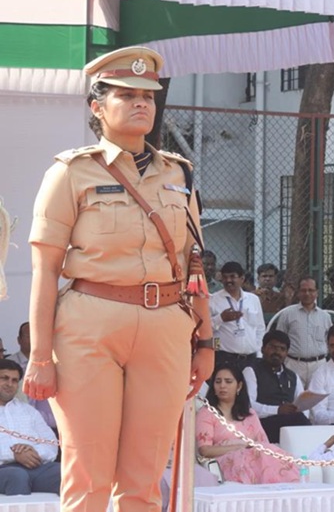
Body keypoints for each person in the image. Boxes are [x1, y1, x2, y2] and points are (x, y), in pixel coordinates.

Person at [25, 46, 215, 511]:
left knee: (145, 479)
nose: (141, 103)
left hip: (166, 328)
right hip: (90, 328)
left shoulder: (179, 173)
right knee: (88, 475)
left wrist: (206, 341)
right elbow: (45, 270)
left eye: (148, 95)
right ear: (97, 106)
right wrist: (40, 356)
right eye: (126, 94)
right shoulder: (70, 173)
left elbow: (195, 263)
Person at [195, 366, 300, 484]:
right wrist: (240, 447)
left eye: (228, 381)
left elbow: (263, 443)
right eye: (218, 382)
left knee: (271, 454)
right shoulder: (207, 413)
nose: (222, 386)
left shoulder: (249, 413)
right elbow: (204, 450)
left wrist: (248, 448)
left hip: (255, 457)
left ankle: (282, 493)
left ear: (239, 386)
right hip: (225, 462)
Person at [0, 360, 60, 496]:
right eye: (4, 378)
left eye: (14, 380)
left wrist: (33, 452)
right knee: (17, 476)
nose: (9, 384)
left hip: (36, 467)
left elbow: (51, 444)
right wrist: (14, 454)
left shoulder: (28, 411)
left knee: (65, 472)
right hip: (4, 470)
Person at [241, 331, 310, 443]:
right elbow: (248, 406)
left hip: (291, 427)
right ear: (263, 349)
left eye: (282, 349)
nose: (277, 352)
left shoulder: (293, 376)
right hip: (263, 425)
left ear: (287, 353)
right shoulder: (251, 371)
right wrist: (277, 410)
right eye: (273, 347)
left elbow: (304, 407)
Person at [270, 276, 334, 387]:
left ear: (317, 292)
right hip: (293, 364)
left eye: (311, 290)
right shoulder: (287, 314)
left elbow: (329, 340)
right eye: (303, 290)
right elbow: (279, 340)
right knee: (293, 400)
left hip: (319, 365)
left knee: (318, 400)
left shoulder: (325, 316)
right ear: (298, 293)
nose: (307, 293)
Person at [209, 262, 265, 369]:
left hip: (251, 359)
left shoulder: (253, 300)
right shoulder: (213, 300)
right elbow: (205, 330)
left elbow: (260, 329)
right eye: (225, 277)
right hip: (224, 358)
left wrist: (258, 354)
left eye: (232, 277)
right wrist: (220, 318)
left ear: (242, 278)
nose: (228, 280)